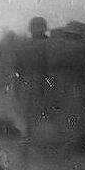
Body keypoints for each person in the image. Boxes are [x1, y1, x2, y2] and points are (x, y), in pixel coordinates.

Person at [12, 16, 52, 149]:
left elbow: (17, 70)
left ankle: (29, 145)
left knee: (29, 117)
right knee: (46, 114)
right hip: (46, 82)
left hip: (27, 84)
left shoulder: (23, 46)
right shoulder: (51, 44)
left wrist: (17, 89)